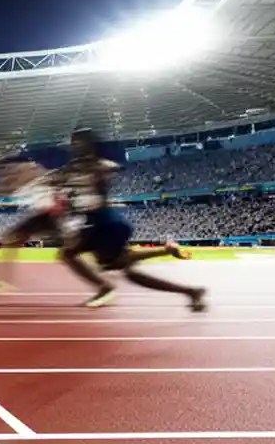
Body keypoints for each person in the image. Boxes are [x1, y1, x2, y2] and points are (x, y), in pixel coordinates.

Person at [56, 128, 207, 312]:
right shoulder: (79, 168)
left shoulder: (95, 167)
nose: (75, 146)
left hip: (102, 221)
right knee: (127, 270)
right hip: (103, 220)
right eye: (74, 142)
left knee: (69, 253)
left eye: (78, 142)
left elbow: (105, 175)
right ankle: (190, 290)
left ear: (90, 144)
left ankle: (105, 287)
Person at [0, 153, 65, 291]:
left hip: (54, 217)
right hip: (46, 217)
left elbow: (51, 178)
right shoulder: (19, 183)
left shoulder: (33, 173)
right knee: (10, 239)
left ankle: (2, 280)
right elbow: (2, 188)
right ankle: (2, 280)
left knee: (73, 249)